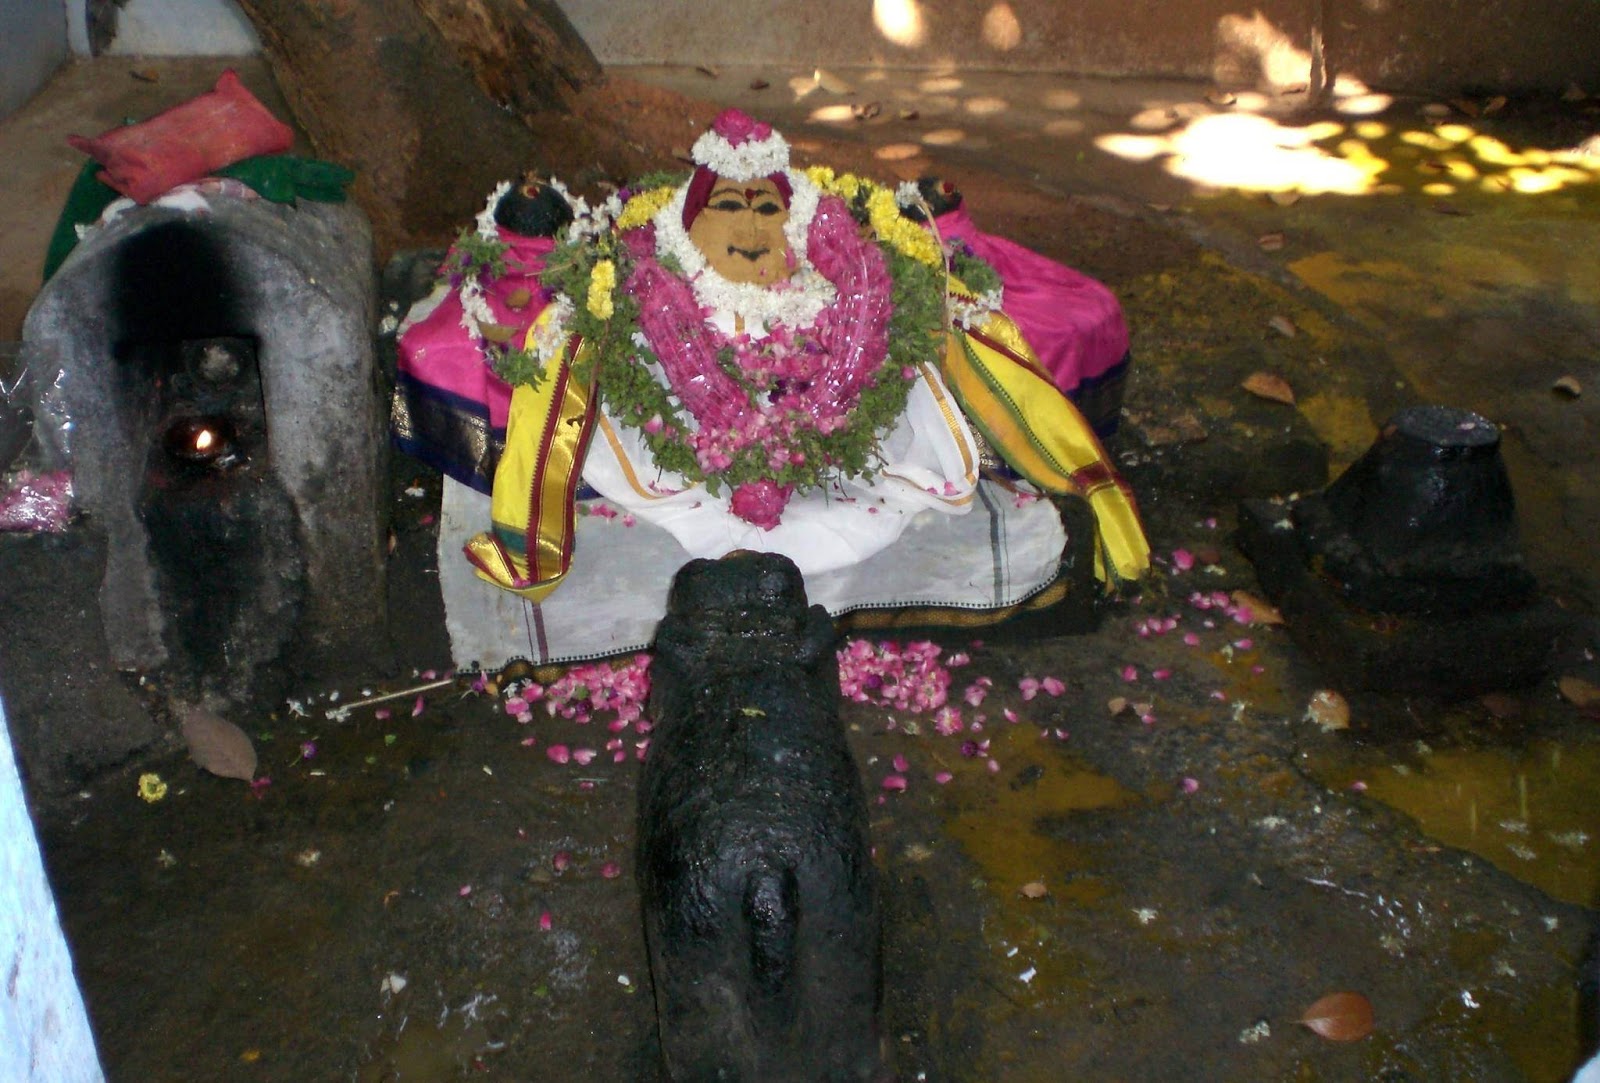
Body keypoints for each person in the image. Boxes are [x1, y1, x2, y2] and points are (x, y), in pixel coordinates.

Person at [446, 109, 1148, 601]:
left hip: (823, 375)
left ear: (799, 217)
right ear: (689, 218)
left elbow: (865, 292)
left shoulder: (840, 274)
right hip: (688, 394)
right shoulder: (651, 277)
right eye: (728, 205)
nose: (751, 227)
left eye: (765, 206)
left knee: (924, 341)